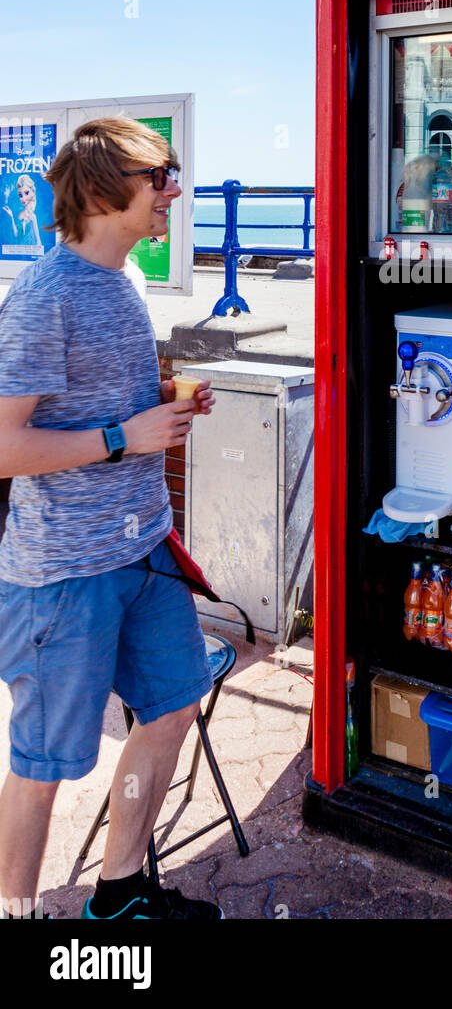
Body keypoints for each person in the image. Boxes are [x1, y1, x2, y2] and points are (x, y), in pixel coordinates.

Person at [0, 116, 223, 921]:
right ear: (104, 190)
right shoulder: (43, 299)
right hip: (64, 573)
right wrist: (124, 437)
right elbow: (5, 446)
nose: (172, 190)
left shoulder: (122, 284)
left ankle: (122, 892)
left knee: (172, 704)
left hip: (144, 553)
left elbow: (105, 413)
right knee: (45, 759)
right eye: (159, 174)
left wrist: (162, 405)